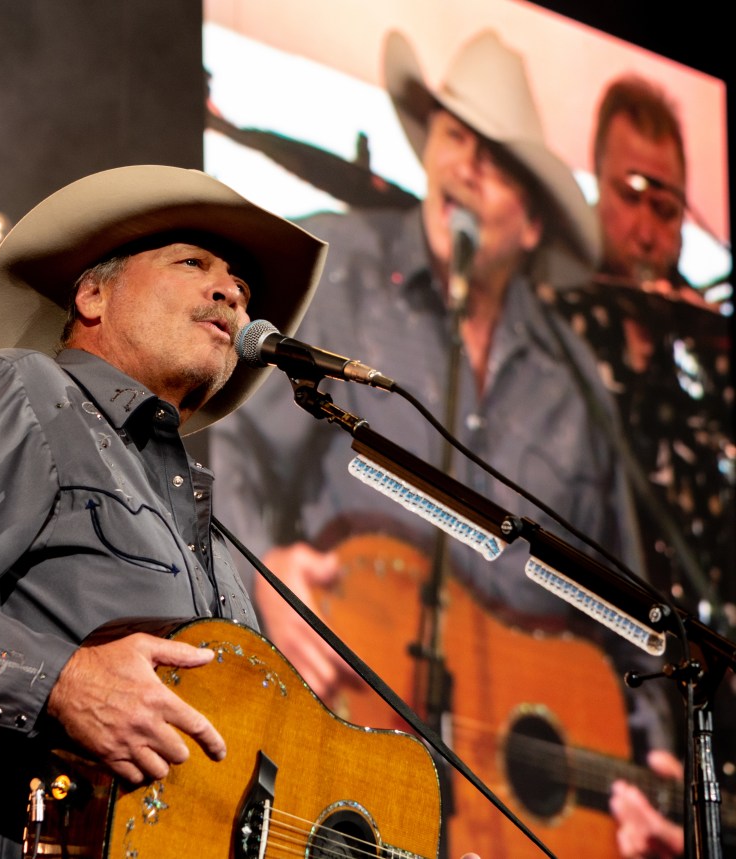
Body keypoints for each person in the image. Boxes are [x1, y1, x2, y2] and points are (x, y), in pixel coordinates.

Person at [210, 29, 674, 858]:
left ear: (532, 220)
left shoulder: (575, 382)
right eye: (453, 137)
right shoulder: (340, 267)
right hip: (333, 746)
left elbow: (626, 605)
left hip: (511, 815)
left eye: (493, 156)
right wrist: (262, 580)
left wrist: (658, 759)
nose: (464, 164)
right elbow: (226, 449)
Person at [0, 164, 333, 858]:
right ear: (92, 294)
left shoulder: (218, 548)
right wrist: (60, 680)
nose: (229, 292)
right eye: (194, 262)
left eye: (243, 288)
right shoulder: (23, 391)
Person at [553, 73, 736, 859]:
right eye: (632, 192)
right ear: (597, 189)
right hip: (587, 686)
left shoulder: (701, 367)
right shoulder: (556, 331)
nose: (649, 223)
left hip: (701, 699)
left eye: (669, 206)